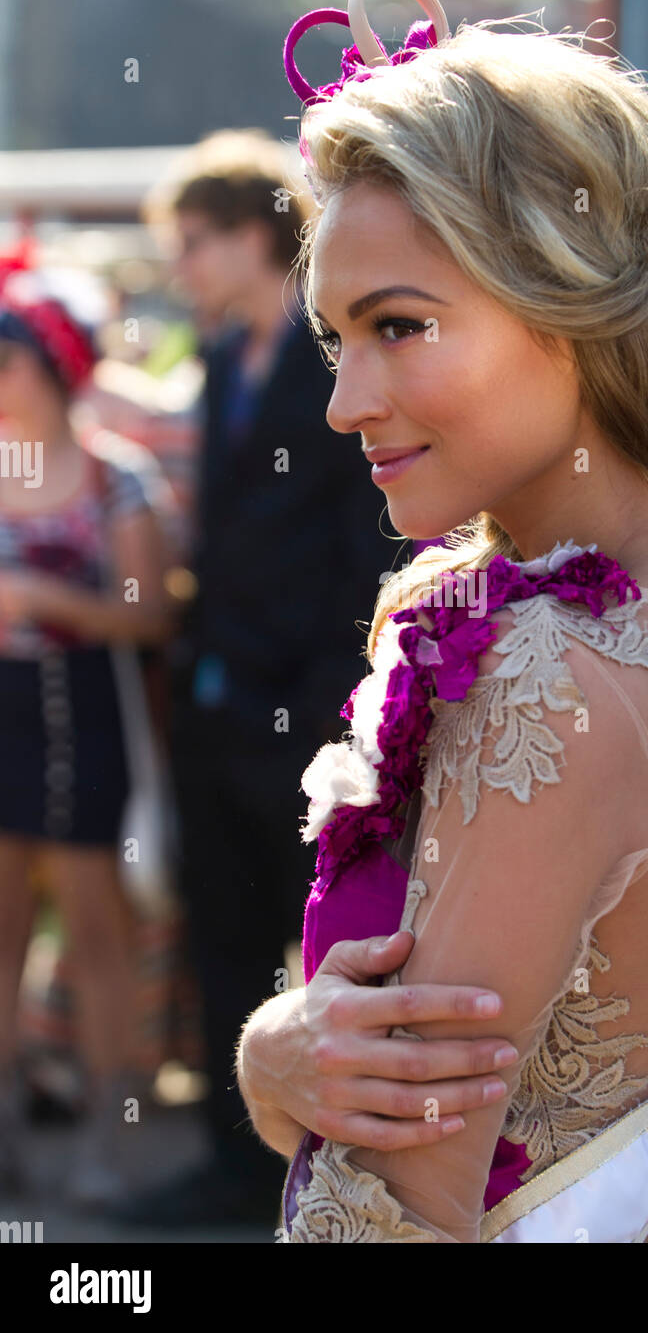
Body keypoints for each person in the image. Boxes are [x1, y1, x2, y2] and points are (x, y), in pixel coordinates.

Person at [234, 0, 648, 1244]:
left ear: (574, 305)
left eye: (400, 326)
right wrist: (287, 1060)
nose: (344, 403)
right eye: (337, 337)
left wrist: (270, 1066)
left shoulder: (558, 670)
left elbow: (392, 1205)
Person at [111, 130, 397, 1227]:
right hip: (216, 704)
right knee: (222, 942)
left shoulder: (335, 351)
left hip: (314, 715)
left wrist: (334, 704)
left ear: (250, 235)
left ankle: (330, 1181)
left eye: (192, 242)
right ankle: (237, 1174)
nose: (177, 267)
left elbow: (370, 543)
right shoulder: (219, 355)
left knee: (324, 945)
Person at [0, 267, 171, 1206]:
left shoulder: (116, 478)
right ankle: (8, 1137)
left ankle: (113, 1137)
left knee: (98, 932)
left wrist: (47, 601)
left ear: (51, 366)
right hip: (5, 711)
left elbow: (150, 618)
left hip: (80, 715)